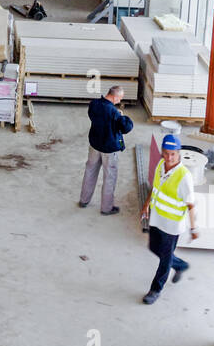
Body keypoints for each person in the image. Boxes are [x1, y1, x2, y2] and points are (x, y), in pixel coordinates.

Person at [142, 133, 198, 305]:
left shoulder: (184, 176)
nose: (169, 157)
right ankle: (180, 265)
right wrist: (146, 205)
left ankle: (155, 289)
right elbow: (155, 188)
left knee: (165, 260)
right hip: (157, 219)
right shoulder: (160, 165)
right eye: (166, 153)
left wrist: (193, 228)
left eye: (172, 154)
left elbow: (191, 204)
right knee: (153, 247)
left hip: (172, 225)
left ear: (179, 153)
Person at [79, 85, 133, 215]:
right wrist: (122, 116)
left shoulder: (94, 104)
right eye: (119, 98)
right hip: (109, 149)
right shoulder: (114, 112)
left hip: (94, 145)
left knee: (90, 171)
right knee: (109, 177)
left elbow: (93, 117)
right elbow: (126, 127)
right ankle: (106, 208)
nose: (119, 101)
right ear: (114, 97)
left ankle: (84, 200)